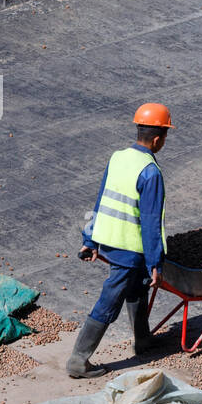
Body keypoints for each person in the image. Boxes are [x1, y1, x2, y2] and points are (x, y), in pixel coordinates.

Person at [67, 103, 172, 378]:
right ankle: (79, 360)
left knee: (137, 288)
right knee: (109, 300)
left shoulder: (118, 157)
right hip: (129, 249)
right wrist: (155, 264)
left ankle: (143, 339)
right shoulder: (151, 173)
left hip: (109, 240)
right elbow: (150, 224)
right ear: (158, 139)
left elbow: (101, 200)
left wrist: (90, 239)